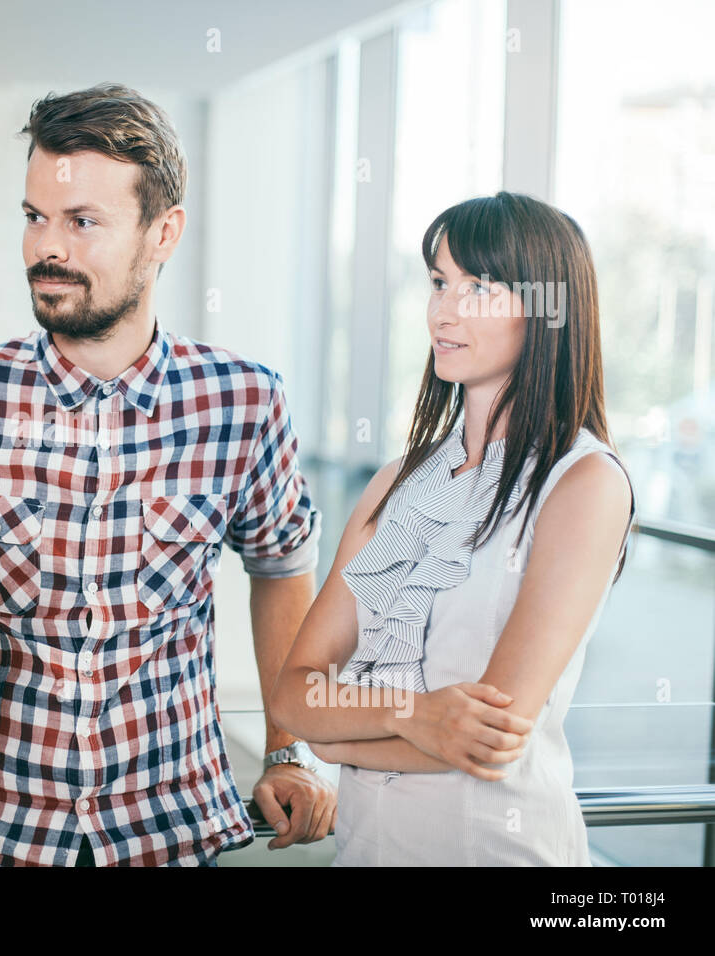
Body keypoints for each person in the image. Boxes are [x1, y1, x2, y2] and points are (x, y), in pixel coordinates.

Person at [0, 83, 335, 866]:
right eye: (35, 216)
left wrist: (288, 750)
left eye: (82, 223)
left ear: (162, 233)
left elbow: (282, 571)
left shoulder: (245, 401)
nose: (48, 248)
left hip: (170, 836)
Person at [271, 192, 635, 866]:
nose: (445, 309)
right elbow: (297, 693)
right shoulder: (396, 483)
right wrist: (414, 716)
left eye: (481, 287)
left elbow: (487, 738)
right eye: (440, 282)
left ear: (547, 309)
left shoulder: (582, 483)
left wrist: (338, 736)